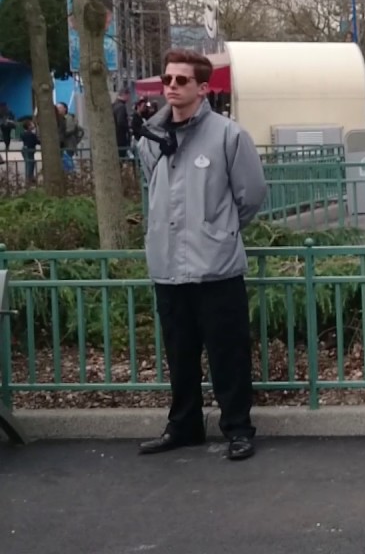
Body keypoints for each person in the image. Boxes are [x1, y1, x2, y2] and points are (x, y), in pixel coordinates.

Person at [135, 49, 267, 462]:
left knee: (228, 353)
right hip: (168, 265)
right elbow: (151, 186)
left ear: (203, 87)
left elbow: (251, 195)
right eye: (167, 79)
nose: (171, 86)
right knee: (179, 352)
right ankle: (185, 425)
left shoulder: (229, 135)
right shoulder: (150, 137)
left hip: (216, 268)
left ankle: (238, 429)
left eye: (181, 80)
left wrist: (219, 230)